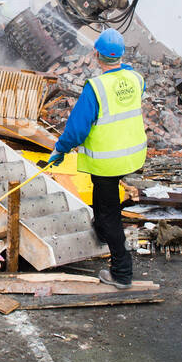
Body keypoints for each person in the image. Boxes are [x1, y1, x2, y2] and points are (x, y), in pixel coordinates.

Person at [37, 28, 146, 289]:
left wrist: (60, 150)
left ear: (96, 54)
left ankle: (121, 272)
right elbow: (125, 82)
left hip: (106, 162)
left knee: (108, 213)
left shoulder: (95, 88)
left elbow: (77, 128)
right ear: (121, 55)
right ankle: (101, 230)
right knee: (104, 206)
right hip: (131, 155)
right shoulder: (136, 79)